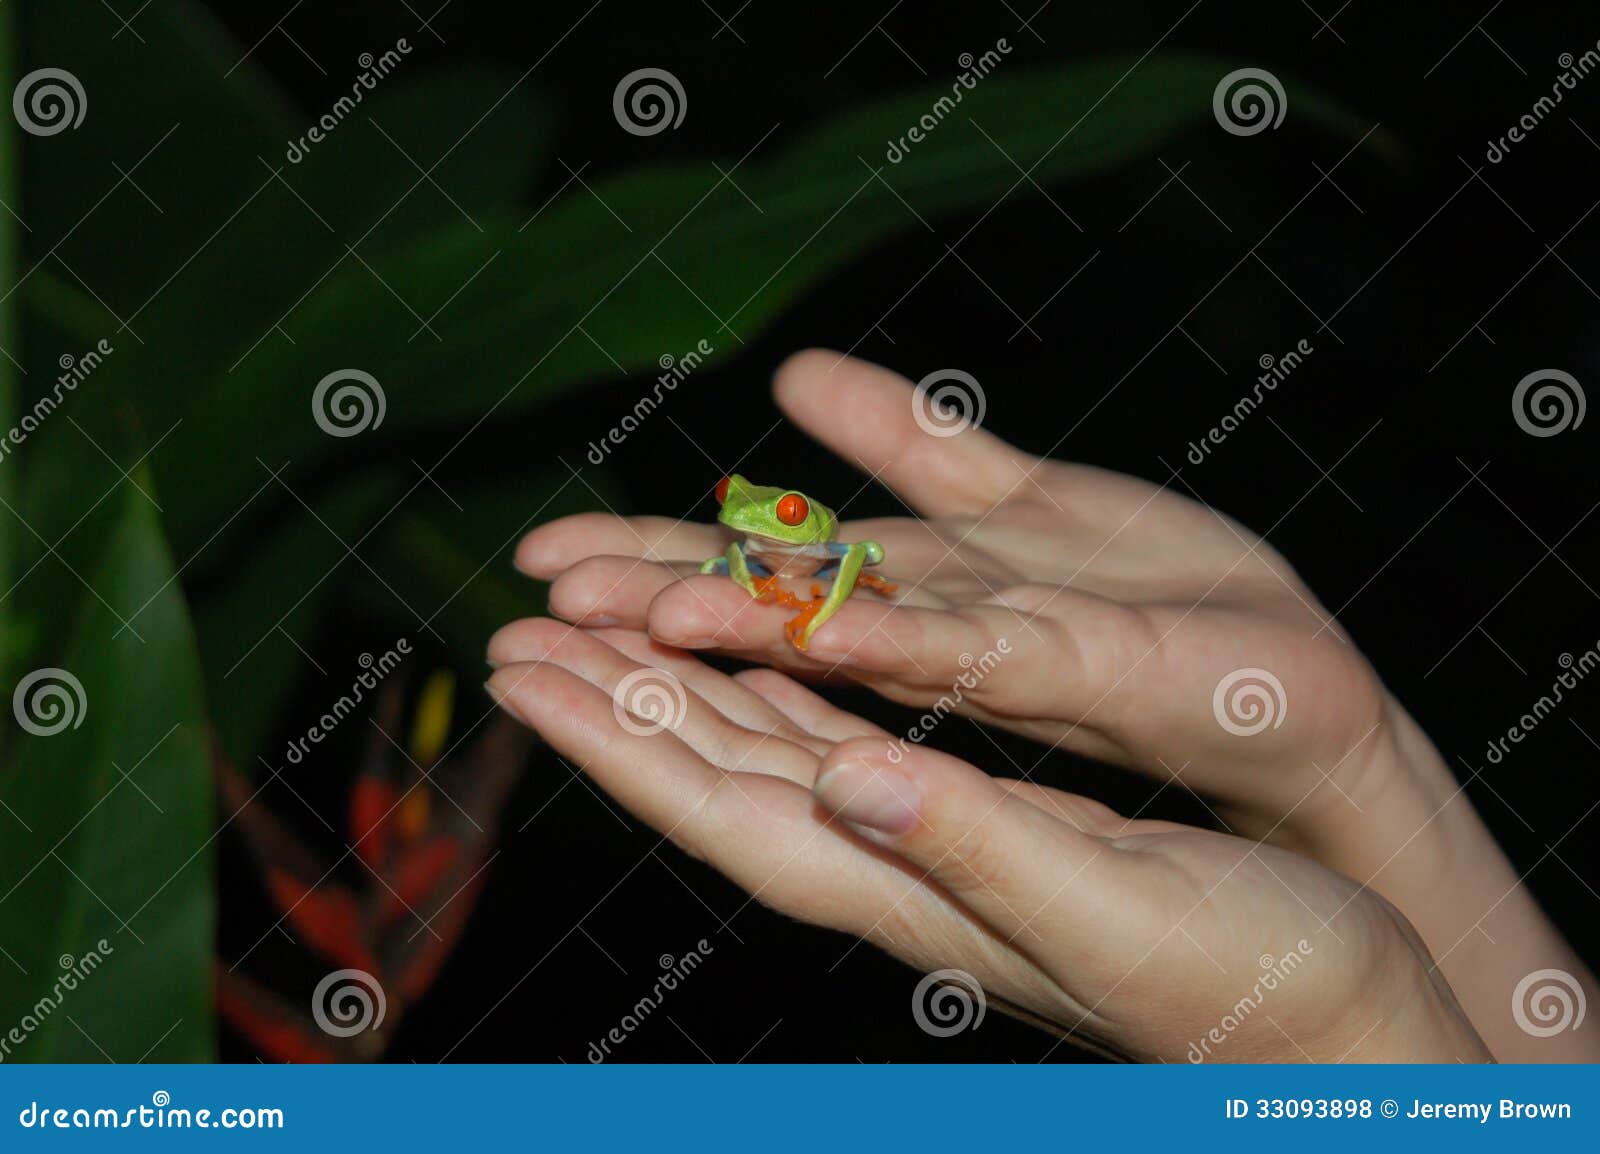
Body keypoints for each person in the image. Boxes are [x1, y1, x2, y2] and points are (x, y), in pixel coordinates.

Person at [486, 350, 1597, 1063]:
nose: (745, 518)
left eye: (757, 511)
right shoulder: (758, 533)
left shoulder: (823, 539)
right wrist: (1350, 769)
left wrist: (1358, 1040)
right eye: (742, 512)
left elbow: (843, 553)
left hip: (835, 564)